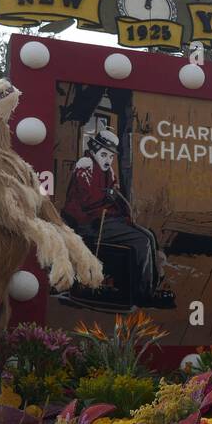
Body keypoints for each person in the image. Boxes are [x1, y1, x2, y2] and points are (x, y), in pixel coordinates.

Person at [62, 128, 173, 308]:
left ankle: (149, 288)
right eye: (104, 154)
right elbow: (86, 202)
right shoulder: (85, 166)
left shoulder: (108, 172)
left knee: (149, 235)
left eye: (111, 156)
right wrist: (109, 198)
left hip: (106, 220)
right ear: (95, 151)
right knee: (141, 240)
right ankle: (142, 295)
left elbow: (114, 197)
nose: (108, 160)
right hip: (89, 224)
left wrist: (119, 206)